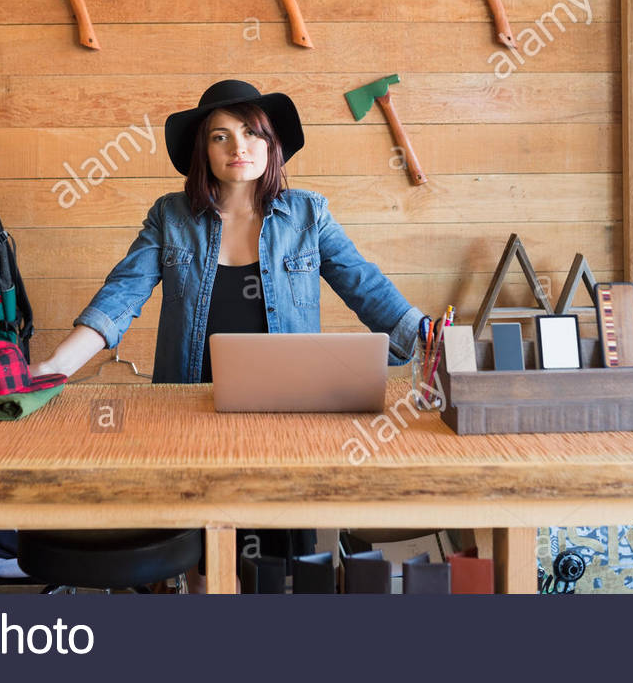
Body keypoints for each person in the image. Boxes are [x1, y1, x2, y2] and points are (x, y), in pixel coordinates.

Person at [29, 79, 427, 589]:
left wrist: (432, 341)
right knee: (204, 563)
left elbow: (368, 289)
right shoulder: (170, 216)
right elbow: (120, 296)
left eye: (251, 133)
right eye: (220, 136)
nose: (239, 147)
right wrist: (55, 366)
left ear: (271, 144)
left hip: (287, 421)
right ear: (203, 150)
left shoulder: (309, 213)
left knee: (278, 565)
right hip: (189, 417)